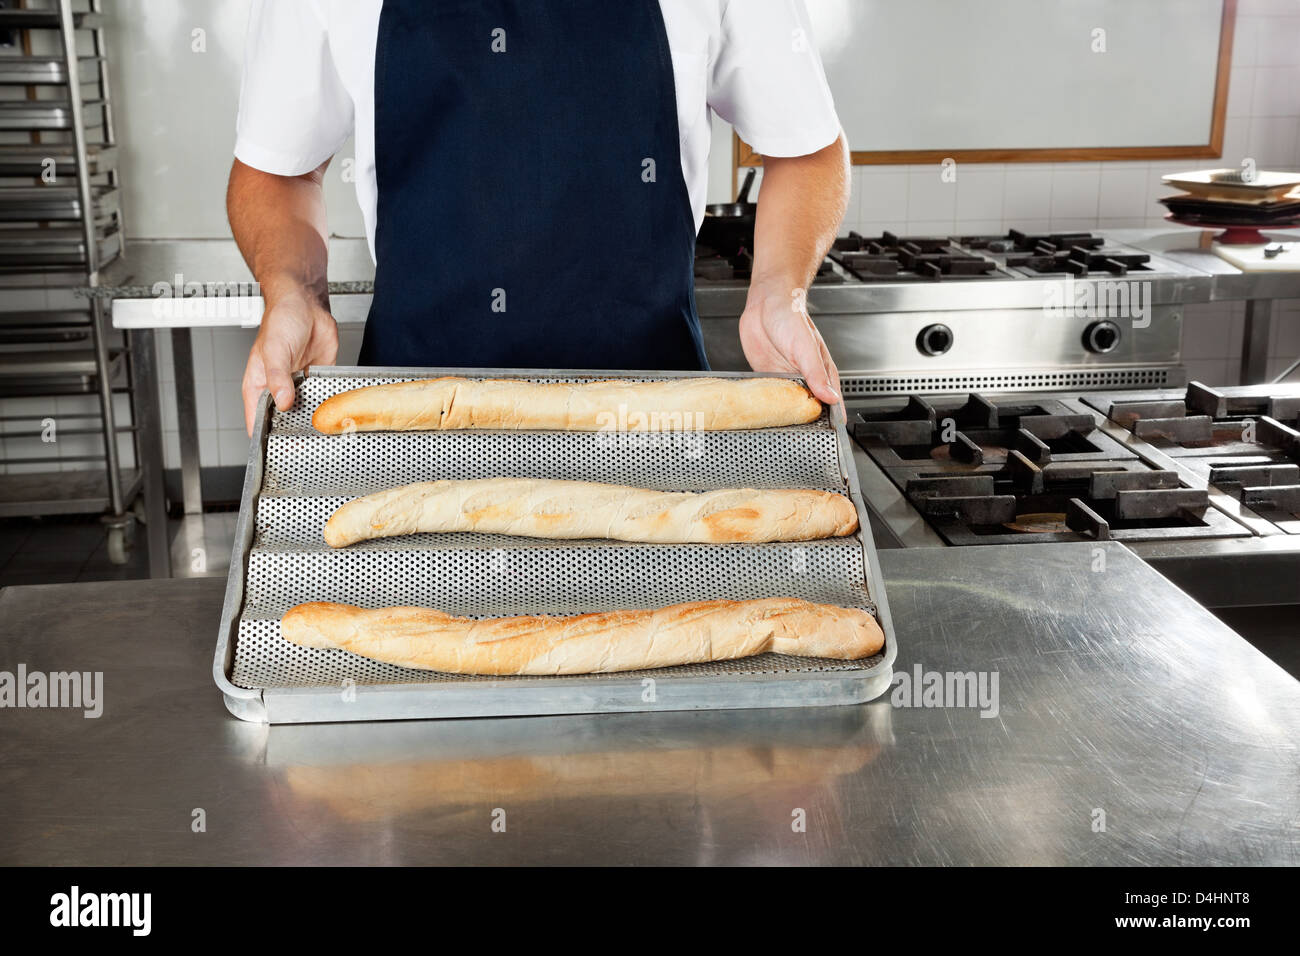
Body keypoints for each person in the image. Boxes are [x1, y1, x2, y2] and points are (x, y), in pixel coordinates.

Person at [229, 0, 849, 434]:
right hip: (415, 424)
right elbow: (276, 172)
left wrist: (779, 290)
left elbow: (808, 150)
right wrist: (293, 294)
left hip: (657, 425)